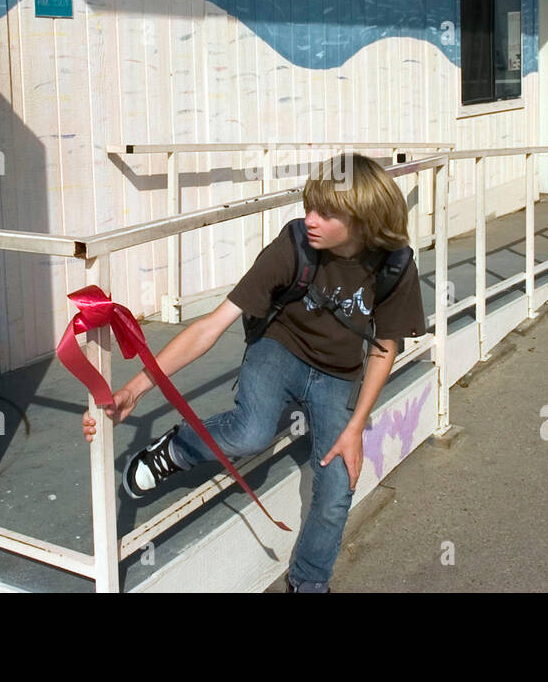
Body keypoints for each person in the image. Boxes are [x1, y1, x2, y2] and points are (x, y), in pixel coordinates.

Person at [83, 152, 427, 593]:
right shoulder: (295, 244)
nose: (310, 219)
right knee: (251, 433)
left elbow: (385, 347)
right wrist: (135, 388)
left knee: (340, 480)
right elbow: (211, 326)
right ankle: (178, 449)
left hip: (339, 372)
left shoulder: (394, 264)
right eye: (309, 206)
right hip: (278, 348)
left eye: (326, 212)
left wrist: (356, 426)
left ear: (362, 219)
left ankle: (308, 583)